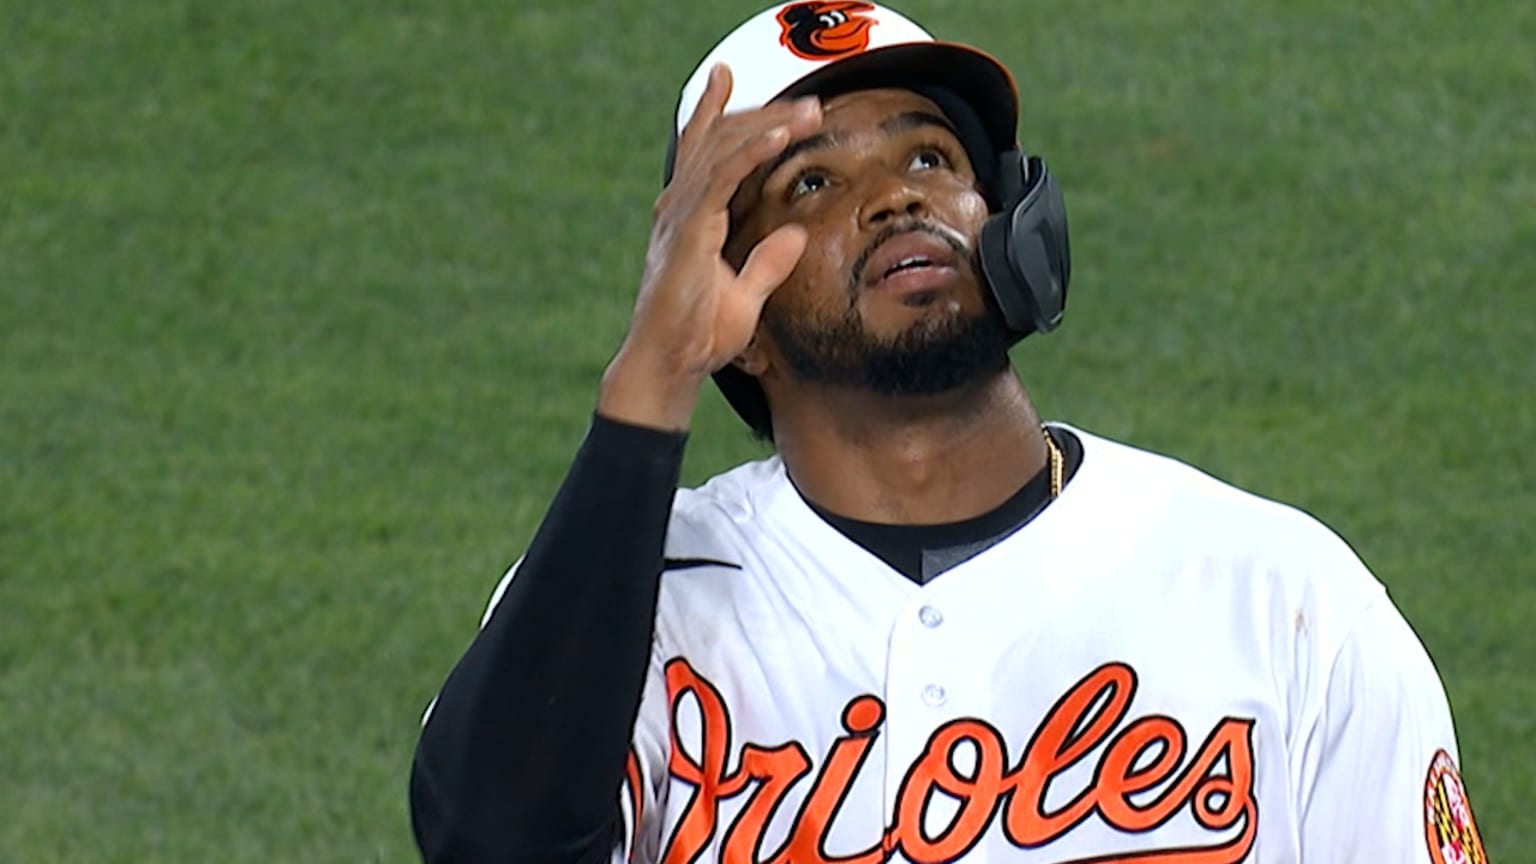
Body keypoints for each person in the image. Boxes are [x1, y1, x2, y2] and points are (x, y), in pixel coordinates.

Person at [409, 3, 1488, 863]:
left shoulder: (1278, 595)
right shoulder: (625, 603)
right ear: (730, 306)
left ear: (1018, 225)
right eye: (813, 183)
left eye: (929, 159)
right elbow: (488, 843)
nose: (892, 201)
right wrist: (652, 378)